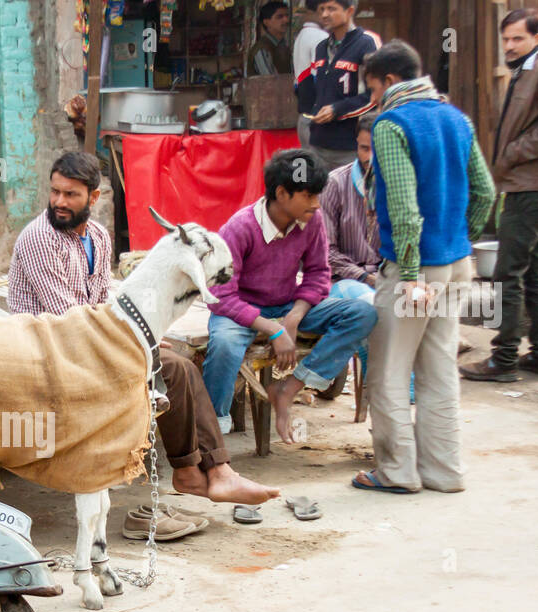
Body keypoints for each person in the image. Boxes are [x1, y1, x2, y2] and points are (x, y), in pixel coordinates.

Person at [6, 152, 280, 535]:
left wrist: (146, 332)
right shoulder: (39, 238)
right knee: (176, 368)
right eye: (54, 192)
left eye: (70, 194)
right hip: (52, 352)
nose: (59, 202)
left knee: (178, 359)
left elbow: (104, 301)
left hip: (91, 342)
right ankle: (204, 472)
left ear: (94, 197)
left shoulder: (98, 237)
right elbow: (67, 319)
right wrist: (138, 340)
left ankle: (208, 471)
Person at [356, 40, 495, 494]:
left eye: (373, 87)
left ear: (390, 81)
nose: (373, 98)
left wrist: (413, 272)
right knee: (438, 369)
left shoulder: (391, 123)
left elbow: (402, 205)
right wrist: (460, 239)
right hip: (456, 264)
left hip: (414, 271)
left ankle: (398, 472)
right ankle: (444, 471)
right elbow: (486, 193)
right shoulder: (457, 118)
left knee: (389, 372)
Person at [202, 149, 378, 444]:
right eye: (308, 196)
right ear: (282, 193)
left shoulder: (313, 221)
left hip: (287, 304)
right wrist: (274, 329)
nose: (316, 203)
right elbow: (220, 295)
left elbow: (319, 274)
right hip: (241, 310)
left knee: (364, 314)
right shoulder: (239, 227)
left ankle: (289, 388)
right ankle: (211, 430)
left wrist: (294, 316)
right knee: (224, 344)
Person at [461, 7, 538, 383]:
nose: (509, 46)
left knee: (508, 274)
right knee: (536, 273)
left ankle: (503, 359)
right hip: (526, 185)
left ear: (537, 38)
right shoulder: (525, 70)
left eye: (518, 39)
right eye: (506, 39)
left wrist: (512, 154)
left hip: (532, 186)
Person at [297, 0, 381, 170]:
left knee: (350, 194)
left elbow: (374, 96)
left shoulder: (365, 44)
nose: (324, 14)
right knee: (320, 196)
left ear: (349, 11)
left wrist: (337, 109)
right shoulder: (321, 47)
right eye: (321, 9)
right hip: (318, 143)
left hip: (348, 145)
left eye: (331, 9)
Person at [320, 110, 380, 297]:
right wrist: (365, 277)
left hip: (388, 276)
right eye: (364, 149)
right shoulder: (335, 183)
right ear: (356, 146)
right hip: (345, 279)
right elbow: (326, 250)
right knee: (369, 303)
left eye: (377, 150)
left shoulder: (399, 183)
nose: (370, 157)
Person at [293, 1, 329, 148]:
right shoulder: (319, 37)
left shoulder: (302, 35)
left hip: (305, 114)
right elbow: (320, 79)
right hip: (317, 118)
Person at [247, 2, 292, 76]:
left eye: (287, 16)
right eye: (279, 17)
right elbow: (270, 82)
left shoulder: (284, 46)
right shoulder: (262, 49)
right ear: (266, 22)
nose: (286, 20)